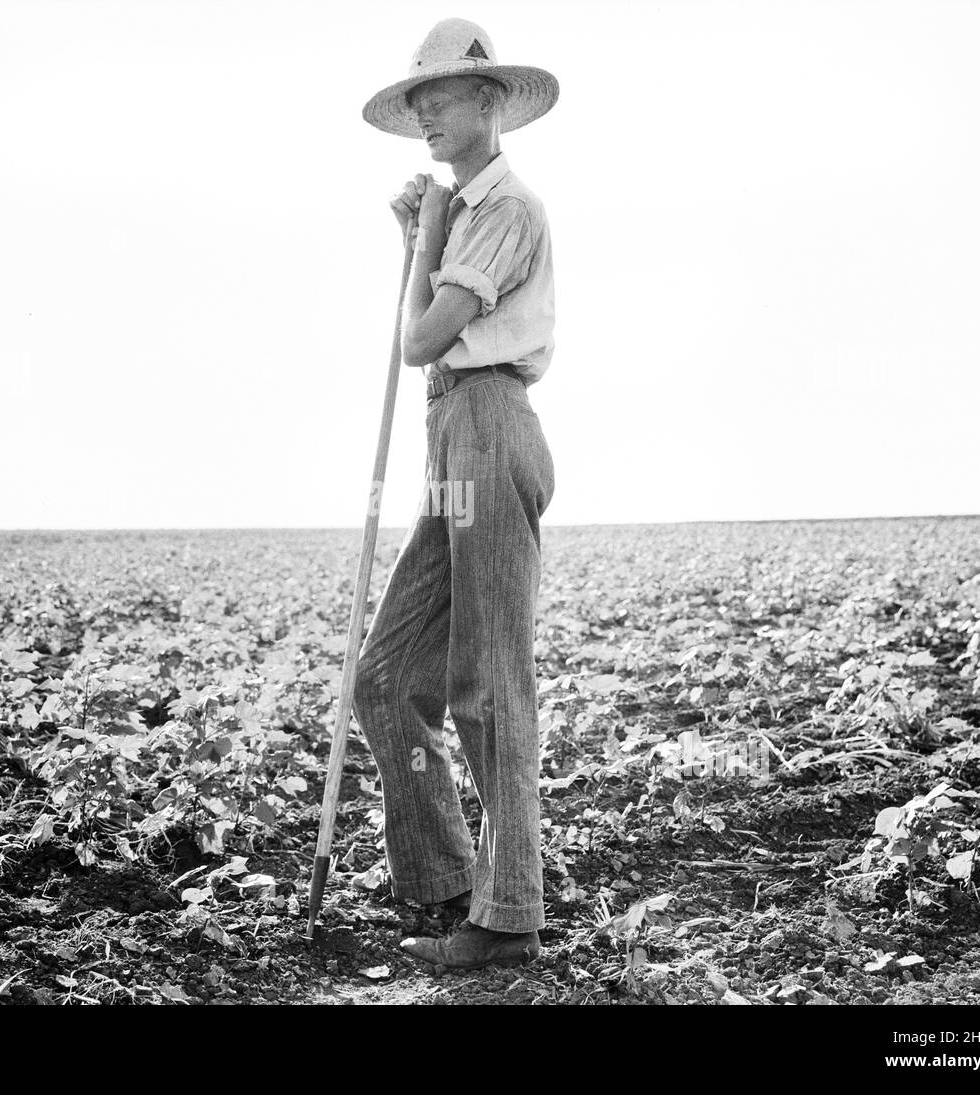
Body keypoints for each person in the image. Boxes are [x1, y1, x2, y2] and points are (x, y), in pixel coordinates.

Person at [353, 17, 559, 970]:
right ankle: (444, 887)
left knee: (486, 679)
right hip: (453, 435)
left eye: (442, 95)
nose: (427, 111)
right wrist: (423, 234)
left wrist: (427, 236)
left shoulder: (506, 206)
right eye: (417, 97)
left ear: (488, 101)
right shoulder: (464, 211)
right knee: (387, 676)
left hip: (485, 424)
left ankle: (509, 914)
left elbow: (423, 340)